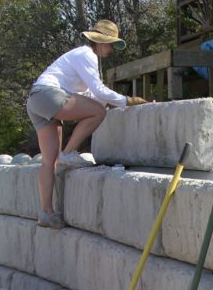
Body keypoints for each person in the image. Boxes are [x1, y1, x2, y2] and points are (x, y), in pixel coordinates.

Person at [26, 19, 148, 229]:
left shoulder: (79, 57)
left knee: (50, 162)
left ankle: (46, 213)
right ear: (100, 41)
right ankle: (70, 152)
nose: (110, 49)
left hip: (36, 100)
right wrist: (128, 101)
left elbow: (91, 94)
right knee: (98, 112)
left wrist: (111, 104)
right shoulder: (87, 55)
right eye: (109, 44)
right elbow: (99, 94)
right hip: (49, 95)